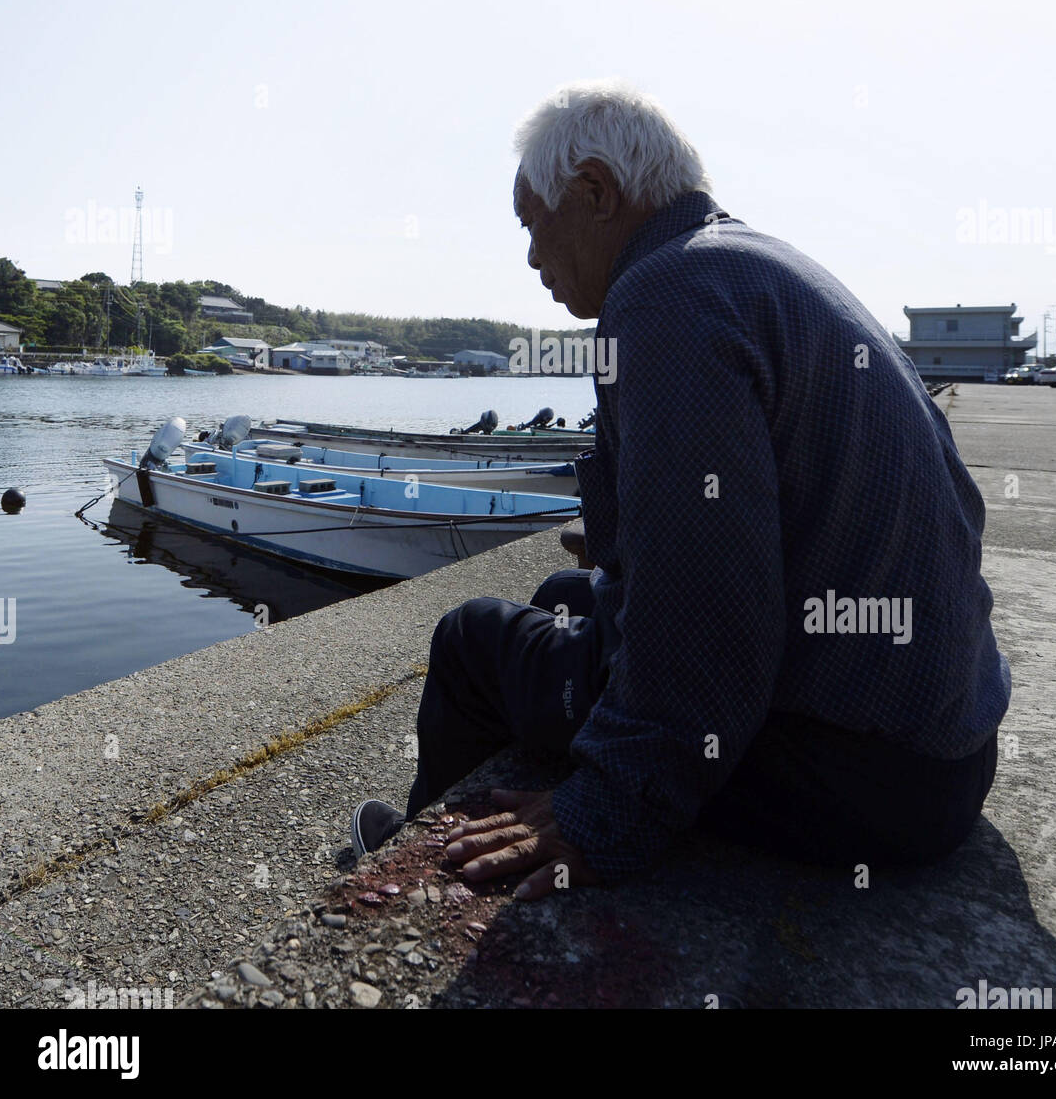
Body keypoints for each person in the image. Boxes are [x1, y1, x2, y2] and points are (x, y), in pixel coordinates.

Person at [351, 80, 1011, 900]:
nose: (529, 258)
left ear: (595, 191)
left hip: (856, 774)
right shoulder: (751, 265)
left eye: (532, 224)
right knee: (566, 591)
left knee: (471, 636)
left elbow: (710, 608)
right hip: (943, 743)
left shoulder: (663, 297)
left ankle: (419, 857)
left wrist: (607, 809)